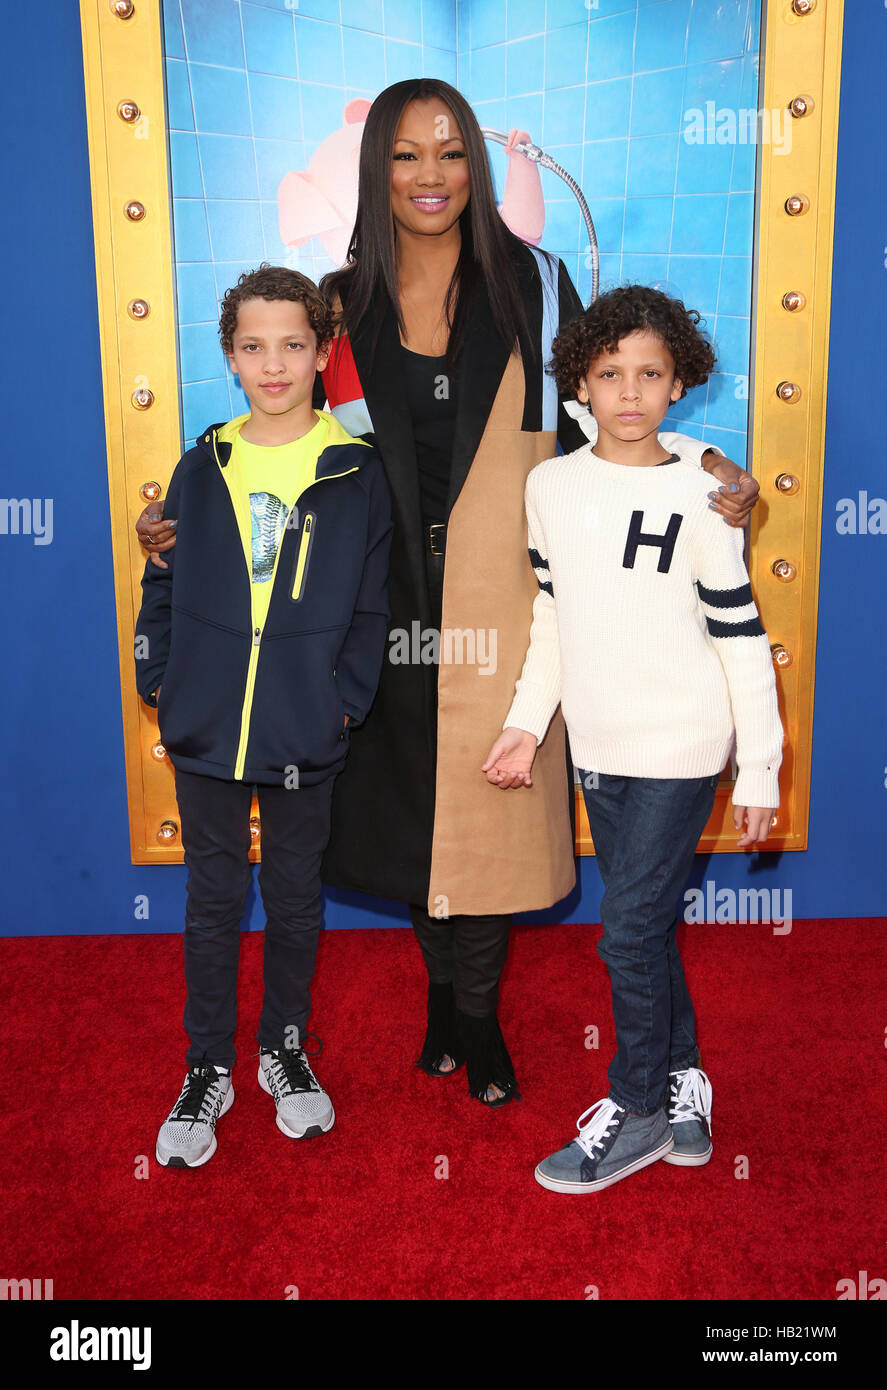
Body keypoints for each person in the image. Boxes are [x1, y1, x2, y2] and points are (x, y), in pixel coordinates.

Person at [136, 79, 760, 1109]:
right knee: (409, 807)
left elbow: (613, 421)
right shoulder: (336, 306)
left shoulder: (543, 287)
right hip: (368, 606)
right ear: (376, 168)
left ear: (476, 162)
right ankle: (438, 996)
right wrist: (177, 525)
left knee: (486, 803)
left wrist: (709, 469)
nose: (430, 176)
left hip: (505, 599)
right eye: (404, 156)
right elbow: (276, 433)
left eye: (450, 153)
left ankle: (476, 1012)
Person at [483, 284, 782, 1189]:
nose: (628, 392)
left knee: (623, 934)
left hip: (683, 747)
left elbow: (737, 632)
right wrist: (524, 725)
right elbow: (550, 617)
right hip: (598, 752)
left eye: (650, 373)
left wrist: (759, 768)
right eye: (609, 372)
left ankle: (642, 1106)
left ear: (680, 381)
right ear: (578, 379)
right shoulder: (550, 487)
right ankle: (685, 1079)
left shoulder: (706, 490)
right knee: (646, 931)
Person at [134, 265, 392, 1167]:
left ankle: (284, 1047)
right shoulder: (201, 461)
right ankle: (207, 1064)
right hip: (204, 727)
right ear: (229, 356)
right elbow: (161, 576)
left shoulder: (356, 470)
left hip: (301, 731)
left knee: (291, 900)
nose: (273, 364)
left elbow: (372, 607)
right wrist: (160, 678)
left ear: (323, 353)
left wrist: (342, 704)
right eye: (253, 346)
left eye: (292, 345)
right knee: (211, 903)